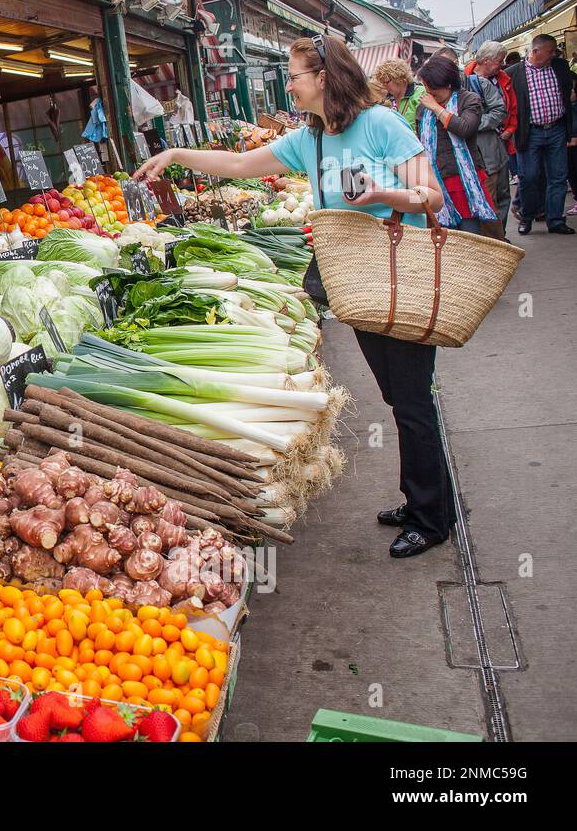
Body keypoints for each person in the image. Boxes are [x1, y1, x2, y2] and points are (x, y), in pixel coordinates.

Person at [133, 35, 451, 559]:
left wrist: (379, 194)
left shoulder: (381, 124)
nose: (289, 82)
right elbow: (239, 165)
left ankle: (431, 517)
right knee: (397, 394)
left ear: (324, 77)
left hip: (398, 274)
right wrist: (173, 152)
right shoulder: (312, 138)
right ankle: (425, 498)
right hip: (353, 282)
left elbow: (431, 194)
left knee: (414, 397)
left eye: (295, 73)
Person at [413, 56, 499, 235]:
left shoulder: (469, 100)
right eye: (426, 86)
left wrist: (437, 109)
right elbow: (419, 141)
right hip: (436, 179)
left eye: (433, 86)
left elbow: (465, 128)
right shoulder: (423, 108)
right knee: (444, 236)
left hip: (464, 179)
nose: (429, 90)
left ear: (448, 84)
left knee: (470, 234)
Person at [506, 33, 574, 234]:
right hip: (530, 132)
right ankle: (527, 216)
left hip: (557, 129)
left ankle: (555, 220)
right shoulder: (513, 73)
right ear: (535, 51)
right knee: (528, 176)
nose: (554, 54)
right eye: (550, 51)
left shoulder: (560, 67)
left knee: (558, 177)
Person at [465, 41, 518, 228]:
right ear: (486, 61)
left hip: (499, 144)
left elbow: (507, 108)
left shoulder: (502, 78)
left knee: (502, 192)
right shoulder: (465, 80)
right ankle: (493, 237)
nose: (502, 64)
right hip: (480, 148)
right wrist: (469, 125)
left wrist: (510, 128)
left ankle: (500, 234)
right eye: (499, 60)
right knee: (488, 193)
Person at [375, 58, 424, 132]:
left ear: (399, 77)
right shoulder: (386, 100)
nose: (384, 86)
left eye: (387, 82)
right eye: (382, 83)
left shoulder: (420, 93)